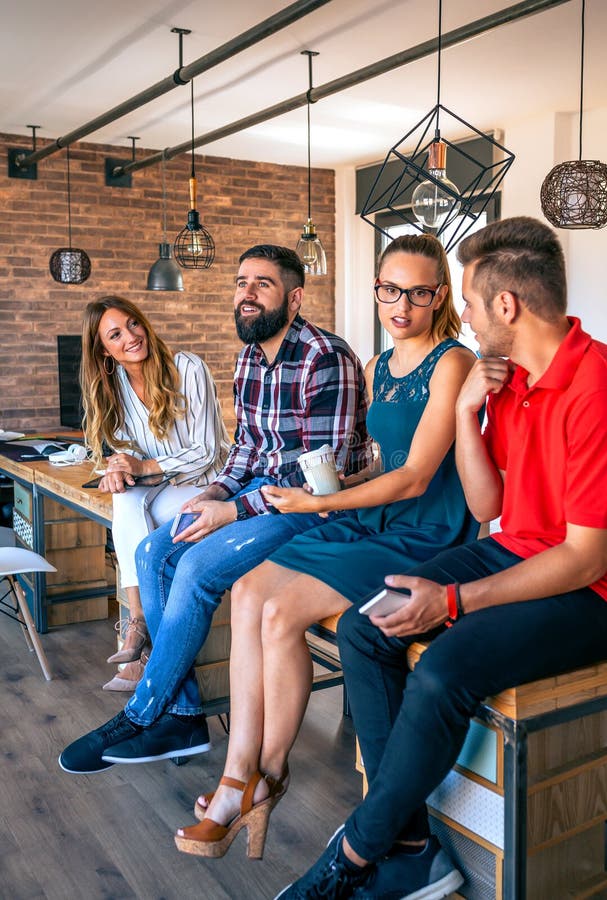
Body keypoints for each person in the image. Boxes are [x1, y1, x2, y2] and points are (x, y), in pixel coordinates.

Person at [274, 216, 607, 900]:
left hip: (591, 589)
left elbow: (581, 560)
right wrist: (464, 413)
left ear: (506, 306)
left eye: (472, 304)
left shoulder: (595, 385)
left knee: (444, 670)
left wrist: (452, 602)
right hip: (519, 550)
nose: (470, 322)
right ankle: (412, 844)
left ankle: (357, 854)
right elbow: (489, 508)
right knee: (369, 626)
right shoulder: (506, 381)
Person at [172, 233, 479, 859]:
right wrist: (332, 484)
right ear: (376, 291)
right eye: (389, 290)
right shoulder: (377, 366)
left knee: (283, 613)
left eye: (419, 293)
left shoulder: (453, 361)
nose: (402, 305)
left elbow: (417, 475)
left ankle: (266, 776)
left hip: (425, 531)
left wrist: (320, 503)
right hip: (373, 517)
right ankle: (238, 769)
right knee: (251, 588)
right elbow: (379, 464)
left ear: (439, 295)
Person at [59, 244, 369, 774]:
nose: (245, 294)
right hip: (261, 498)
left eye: (261, 285)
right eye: (241, 282)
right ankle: (183, 717)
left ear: (294, 298)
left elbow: (324, 469)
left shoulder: (326, 357)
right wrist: (215, 493)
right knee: (157, 550)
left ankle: (144, 713)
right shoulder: (250, 357)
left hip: (316, 507)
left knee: (197, 567)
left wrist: (234, 510)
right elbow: (247, 447)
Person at [80, 296, 229, 691]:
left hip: (207, 485)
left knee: (131, 510)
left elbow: (206, 450)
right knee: (124, 497)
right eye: (116, 334)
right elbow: (129, 448)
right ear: (104, 351)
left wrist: (141, 468)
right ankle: (140, 627)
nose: (131, 336)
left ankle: (138, 632)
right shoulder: (117, 386)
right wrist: (118, 466)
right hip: (162, 488)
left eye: (132, 324)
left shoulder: (186, 367)